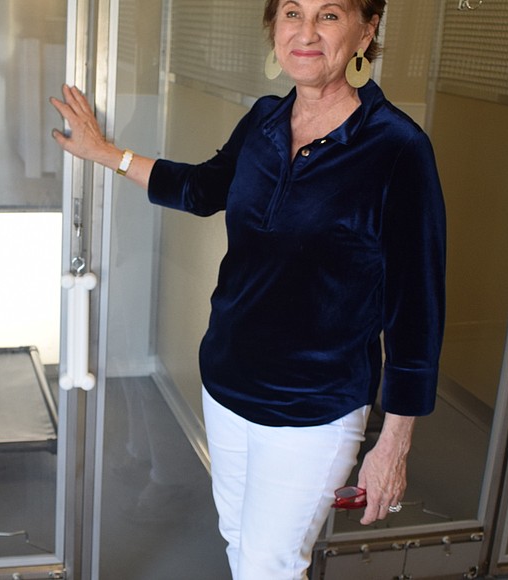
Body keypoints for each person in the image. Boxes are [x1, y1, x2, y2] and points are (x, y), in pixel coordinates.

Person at [50, 0, 445, 577]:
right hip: (228, 385)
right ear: (273, 27)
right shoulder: (263, 120)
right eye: (292, 12)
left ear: (367, 30)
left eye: (329, 15)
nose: (306, 32)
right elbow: (203, 188)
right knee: (241, 544)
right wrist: (107, 154)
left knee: (269, 565)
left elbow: (418, 309)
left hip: (315, 406)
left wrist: (395, 444)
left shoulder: (396, 148)